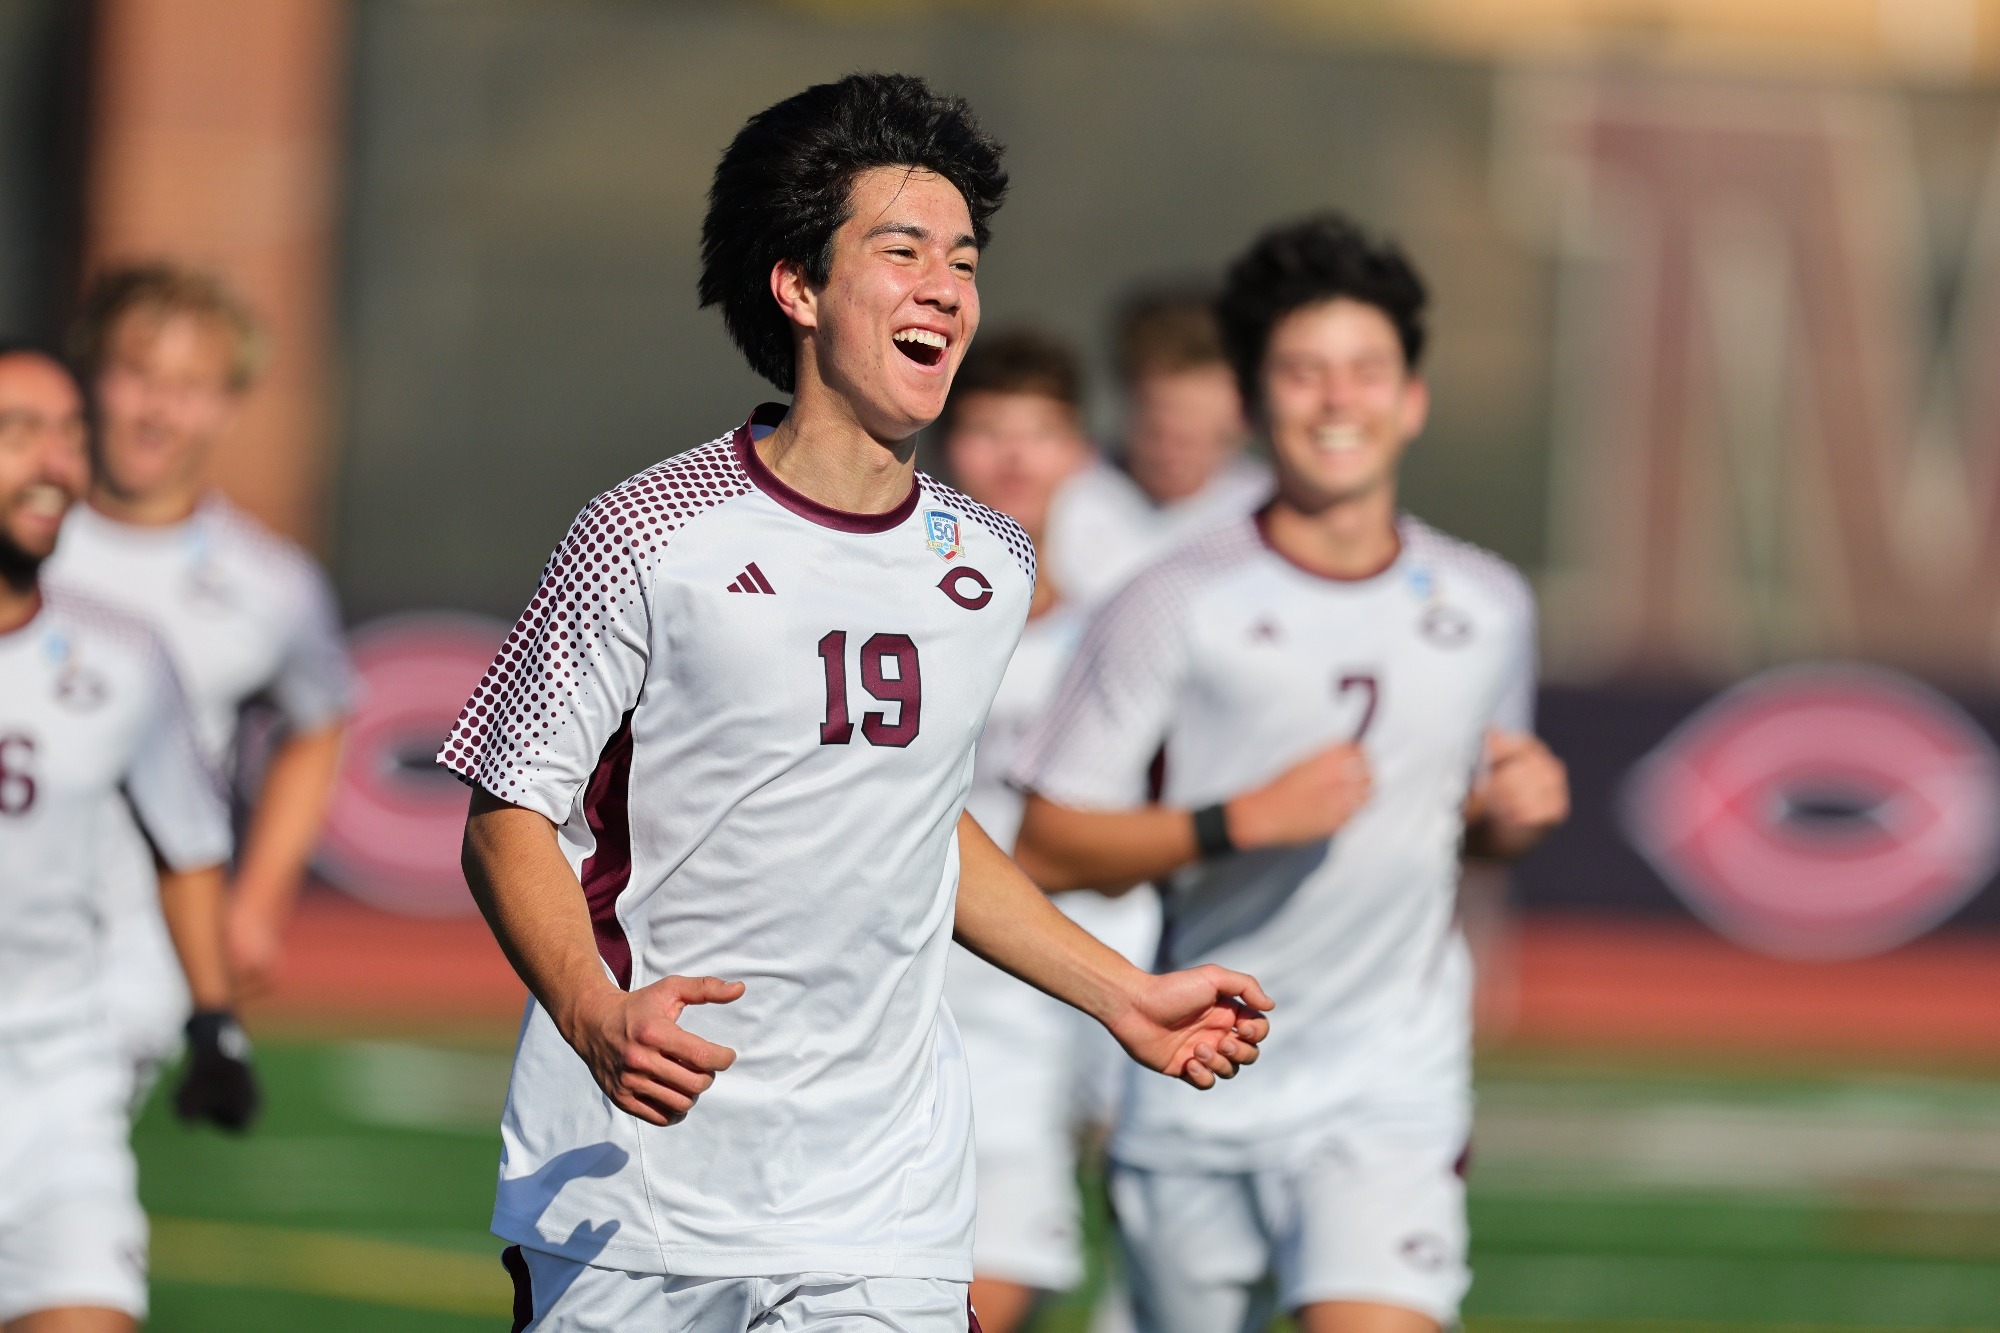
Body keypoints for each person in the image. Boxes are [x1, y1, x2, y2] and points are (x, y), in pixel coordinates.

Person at [438, 73, 1271, 1333]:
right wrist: (592, 1013)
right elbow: (507, 814)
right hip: (632, 1185)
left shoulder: (988, 561)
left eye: (963, 259)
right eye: (901, 251)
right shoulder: (644, 535)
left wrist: (1117, 992)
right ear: (799, 287)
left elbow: (921, 821)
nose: (945, 286)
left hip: (882, 1198)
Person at [1011, 215, 1571, 1333]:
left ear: (1409, 399)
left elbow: (1469, 825)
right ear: (1257, 405)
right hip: (1196, 1084)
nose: (1334, 401)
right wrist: (1235, 822)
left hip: (1389, 1091)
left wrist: (1515, 812)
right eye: (1302, 373)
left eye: (1364, 372)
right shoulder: (1170, 599)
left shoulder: (1485, 603)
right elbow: (1045, 847)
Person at [47, 265, 352, 1102]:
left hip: (137, 942)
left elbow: (317, 725)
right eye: (136, 375)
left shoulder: (267, 582)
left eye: (189, 386)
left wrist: (255, 903)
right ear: (89, 377)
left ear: (227, 402)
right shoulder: (23, 536)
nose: (156, 410)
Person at [0, 345, 255, 1333]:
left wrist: (214, 1022)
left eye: (70, 435)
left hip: (61, 1095)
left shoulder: (125, 657)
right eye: (22, 433)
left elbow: (187, 845)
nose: (58, 463)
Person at [934, 328, 1162, 1333]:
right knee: (980, 1277)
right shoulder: (891, 617)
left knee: (1160, 1223)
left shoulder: (1132, 623)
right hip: (957, 977)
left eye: (1041, 431)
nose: (1015, 456)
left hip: (1106, 951)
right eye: (988, 430)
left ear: (1078, 451)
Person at [1041, 286, 1268, 609]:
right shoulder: (1059, 497)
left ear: (1239, 422)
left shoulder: (1272, 515)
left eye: (1195, 437)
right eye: (1156, 432)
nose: (1172, 455)